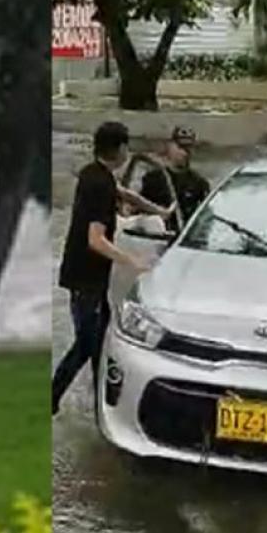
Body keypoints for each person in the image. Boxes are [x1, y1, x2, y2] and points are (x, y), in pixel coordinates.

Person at [53, 122, 172, 415]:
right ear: (119, 149)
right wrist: (134, 262)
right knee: (87, 343)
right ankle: (52, 397)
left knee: (99, 341)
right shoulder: (98, 186)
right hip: (86, 278)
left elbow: (125, 194)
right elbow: (96, 240)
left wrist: (158, 211)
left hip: (88, 276)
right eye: (126, 146)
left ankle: (100, 403)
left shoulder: (95, 173)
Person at [138, 127, 211, 231]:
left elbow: (205, 218)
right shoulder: (154, 178)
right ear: (170, 147)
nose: (185, 153)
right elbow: (140, 209)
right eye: (180, 147)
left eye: (189, 148)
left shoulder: (199, 183)